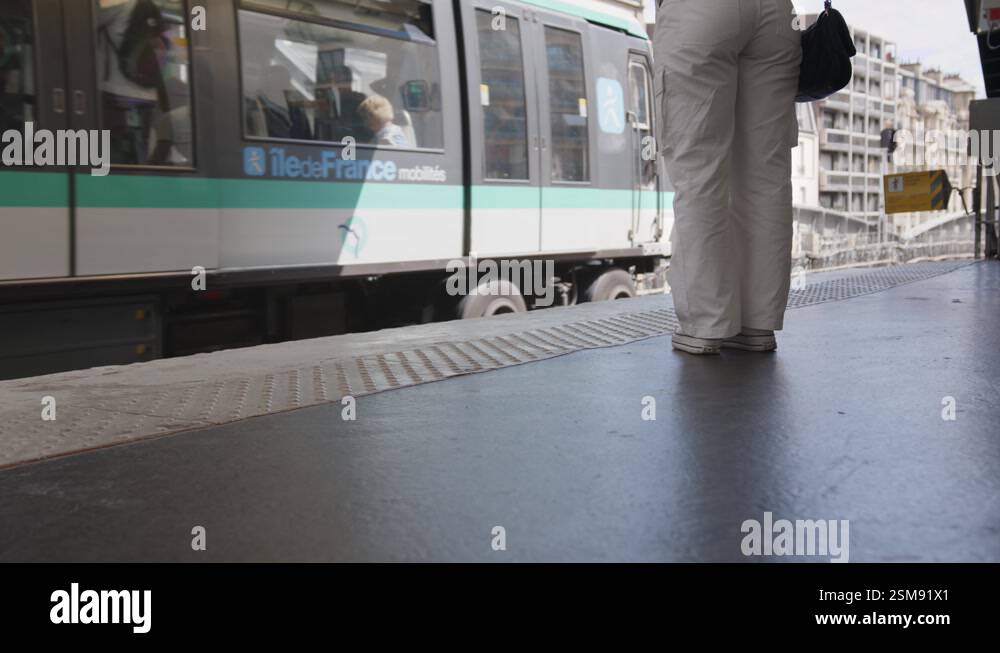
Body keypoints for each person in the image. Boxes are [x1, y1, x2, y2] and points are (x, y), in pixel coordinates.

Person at [654, 0, 802, 355]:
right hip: (777, 17)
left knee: (699, 173)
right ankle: (757, 324)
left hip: (701, 14)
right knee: (767, 175)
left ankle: (704, 324)